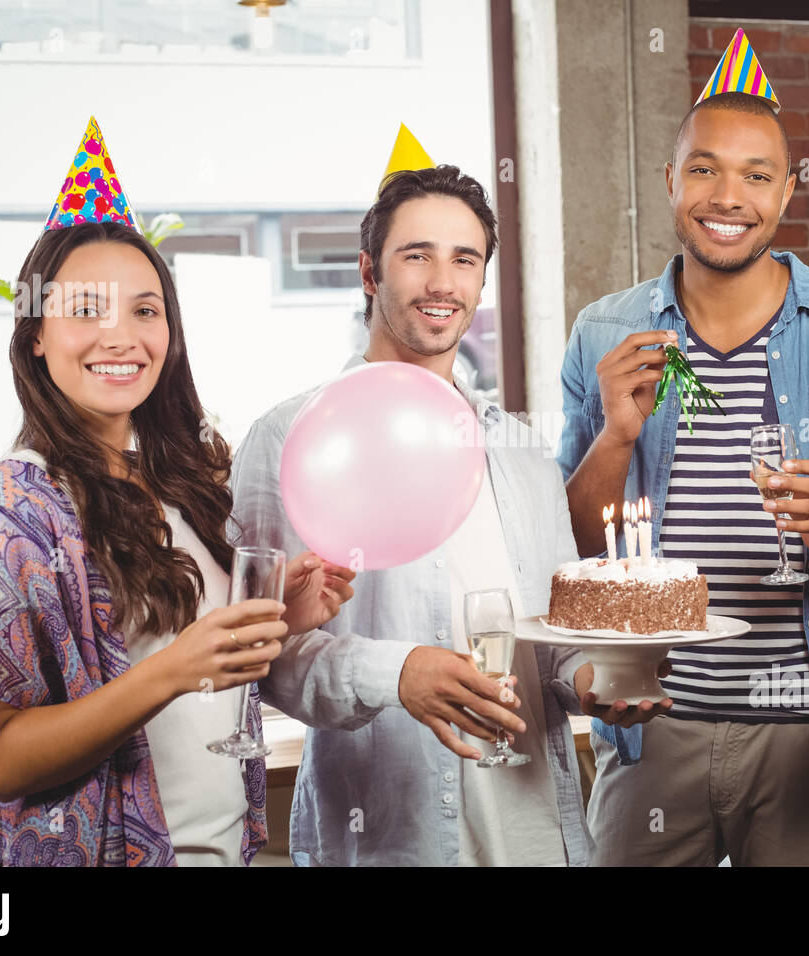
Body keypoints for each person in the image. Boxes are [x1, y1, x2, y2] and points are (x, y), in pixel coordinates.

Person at [230, 162, 657, 866]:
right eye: (416, 255)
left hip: (534, 835)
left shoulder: (517, 448)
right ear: (370, 273)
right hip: (390, 840)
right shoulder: (289, 438)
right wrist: (398, 673)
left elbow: (552, 638)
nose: (441, 282)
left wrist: (592, 682)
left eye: (464, 259)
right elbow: (263, 656)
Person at [556, 89, 809, 866]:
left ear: (789, 189)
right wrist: (616, 435)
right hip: (652, 723)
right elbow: (575, 545)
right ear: (670, 180)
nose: (727, 197)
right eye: (704, 169)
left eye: (757, 175)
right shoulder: (605, 333)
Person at [0, 216, 353, 866]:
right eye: (86, 309)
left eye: (144, 310)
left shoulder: (178, 483)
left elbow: (196, 671)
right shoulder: (13, 510)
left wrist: (276, 622)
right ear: (36, 338)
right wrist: (170, 672)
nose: (123, 336)